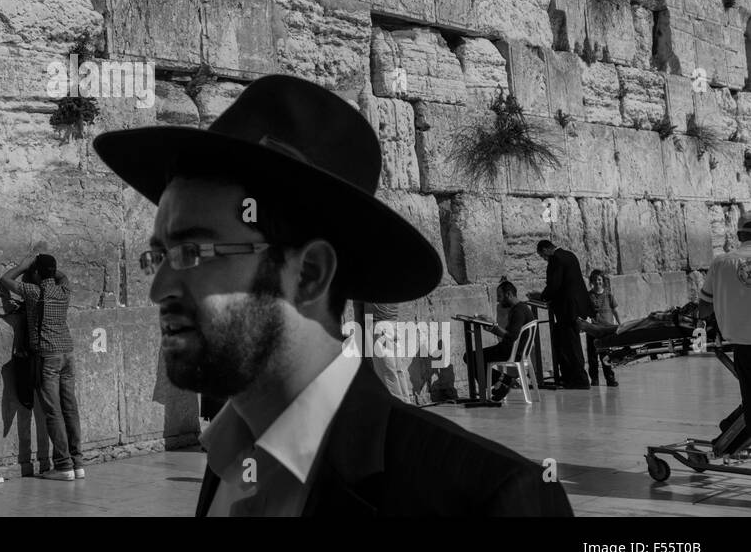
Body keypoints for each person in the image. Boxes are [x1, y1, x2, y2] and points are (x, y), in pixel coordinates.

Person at [92, 74, 572, 516]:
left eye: (194, 252)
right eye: (158, 256)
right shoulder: (226, 461)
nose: (159, 289)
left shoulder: (496, 500)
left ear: (309, 275)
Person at [0, 253, 85, 480]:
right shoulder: (64, 290)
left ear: (36, 273)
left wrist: (23, 265)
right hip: (67, 353)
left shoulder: (32, 291)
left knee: (53, 411)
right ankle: (78, 462)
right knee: (70, 407)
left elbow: (5, 280)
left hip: (48, 357)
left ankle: (64, 465)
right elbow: (63, 275)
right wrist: (49, 269)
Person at [699, 216, 751, 454]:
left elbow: (705, 306)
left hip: (743, 344)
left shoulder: (721, 263)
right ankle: (732, 431)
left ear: (739, 235)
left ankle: (733, 431)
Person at [529, 239, 593, 389]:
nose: (544, 259)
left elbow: (554, 284)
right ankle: (573, 378)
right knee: (571, 341)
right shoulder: (570, 255)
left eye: (542, 256)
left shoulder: (556, 259)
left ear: (545, 250)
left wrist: (541, 296)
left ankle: (578, 379)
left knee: (570, 344)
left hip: (566, 308)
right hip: (575, 307)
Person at [465, 280, 536, 402]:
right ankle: (501, 384)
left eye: (499, 296)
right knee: (474, 357)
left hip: (510, 351)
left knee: (470, 357)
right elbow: (509, 333)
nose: (498, 300)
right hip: (512, 350)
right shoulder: (521, 308)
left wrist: (493, 328)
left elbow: (511, 336)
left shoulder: (518, 311)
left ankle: (503, 382)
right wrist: (492, 325)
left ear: (508, 294)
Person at [366, 301, 414, 404]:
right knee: (397, 370)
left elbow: (358, 308)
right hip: (392, 323)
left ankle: (398, 409)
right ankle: (406, 405)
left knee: (387, 374)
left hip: (380, 325)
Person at [578, 270, 620, 387]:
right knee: (592, 356)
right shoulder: (588, 295)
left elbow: (615, 310)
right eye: (595, 280)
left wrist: (620, 324)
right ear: (592, 281)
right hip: (593, 329)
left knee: (605, 355)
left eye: (599, 279)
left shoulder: (608, 295)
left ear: (603, 281)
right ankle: (594, 379)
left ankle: (610, 378)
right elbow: (584, 311)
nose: (598, 282)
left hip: (606, 329)